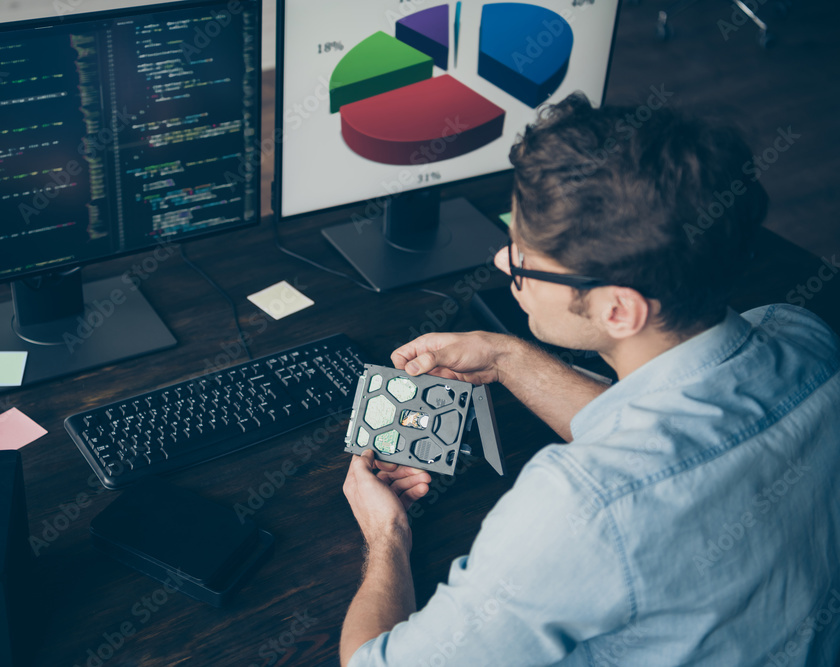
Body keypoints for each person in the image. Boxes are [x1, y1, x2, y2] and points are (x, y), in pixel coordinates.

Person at [340, 92, 840, 666]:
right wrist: (506, 357)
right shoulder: (802, 336)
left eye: (523, 257)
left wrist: (387, 537)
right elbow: (670, 434)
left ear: (618, 311)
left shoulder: (578, 508)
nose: (504, 264)